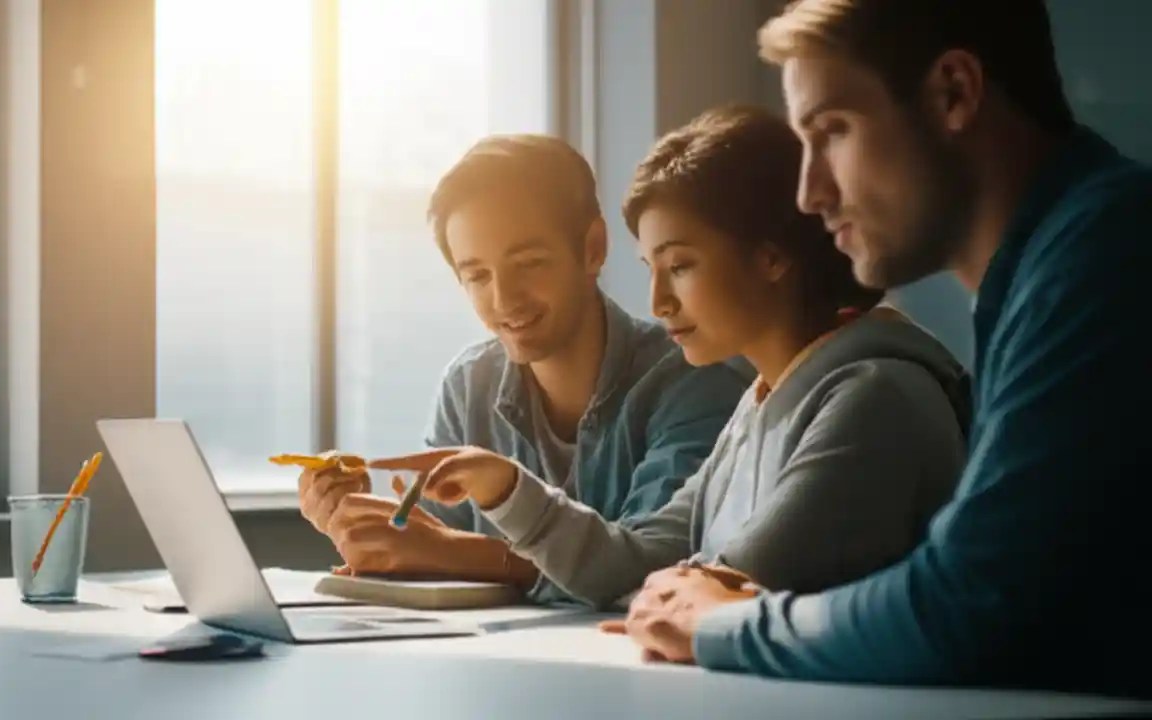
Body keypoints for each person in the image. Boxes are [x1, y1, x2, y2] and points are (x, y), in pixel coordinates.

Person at [605, 0, 1152, 697]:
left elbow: (962, 605)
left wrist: (723, 624)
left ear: (954, 92)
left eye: (832, 131)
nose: (809, 193)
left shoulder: (1103, 254)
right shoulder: (1048, 269)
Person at [371, 106, 968, 607]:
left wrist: (683, 592)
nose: (657, 302)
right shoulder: (759, 403)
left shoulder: (873, 397)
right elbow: (638, 566)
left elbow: (730, 590)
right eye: (651, 269)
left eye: (679, 266)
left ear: (770, 256)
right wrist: (505, 486)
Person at [299, 135, 752, 603]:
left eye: (529, 264)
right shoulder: (469, 386)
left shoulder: (694, 380)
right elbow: (436, 552)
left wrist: (458, 553)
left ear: (593, 248)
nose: (504, 300)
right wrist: (364, 523)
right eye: (477, 275)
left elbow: (648, 572)